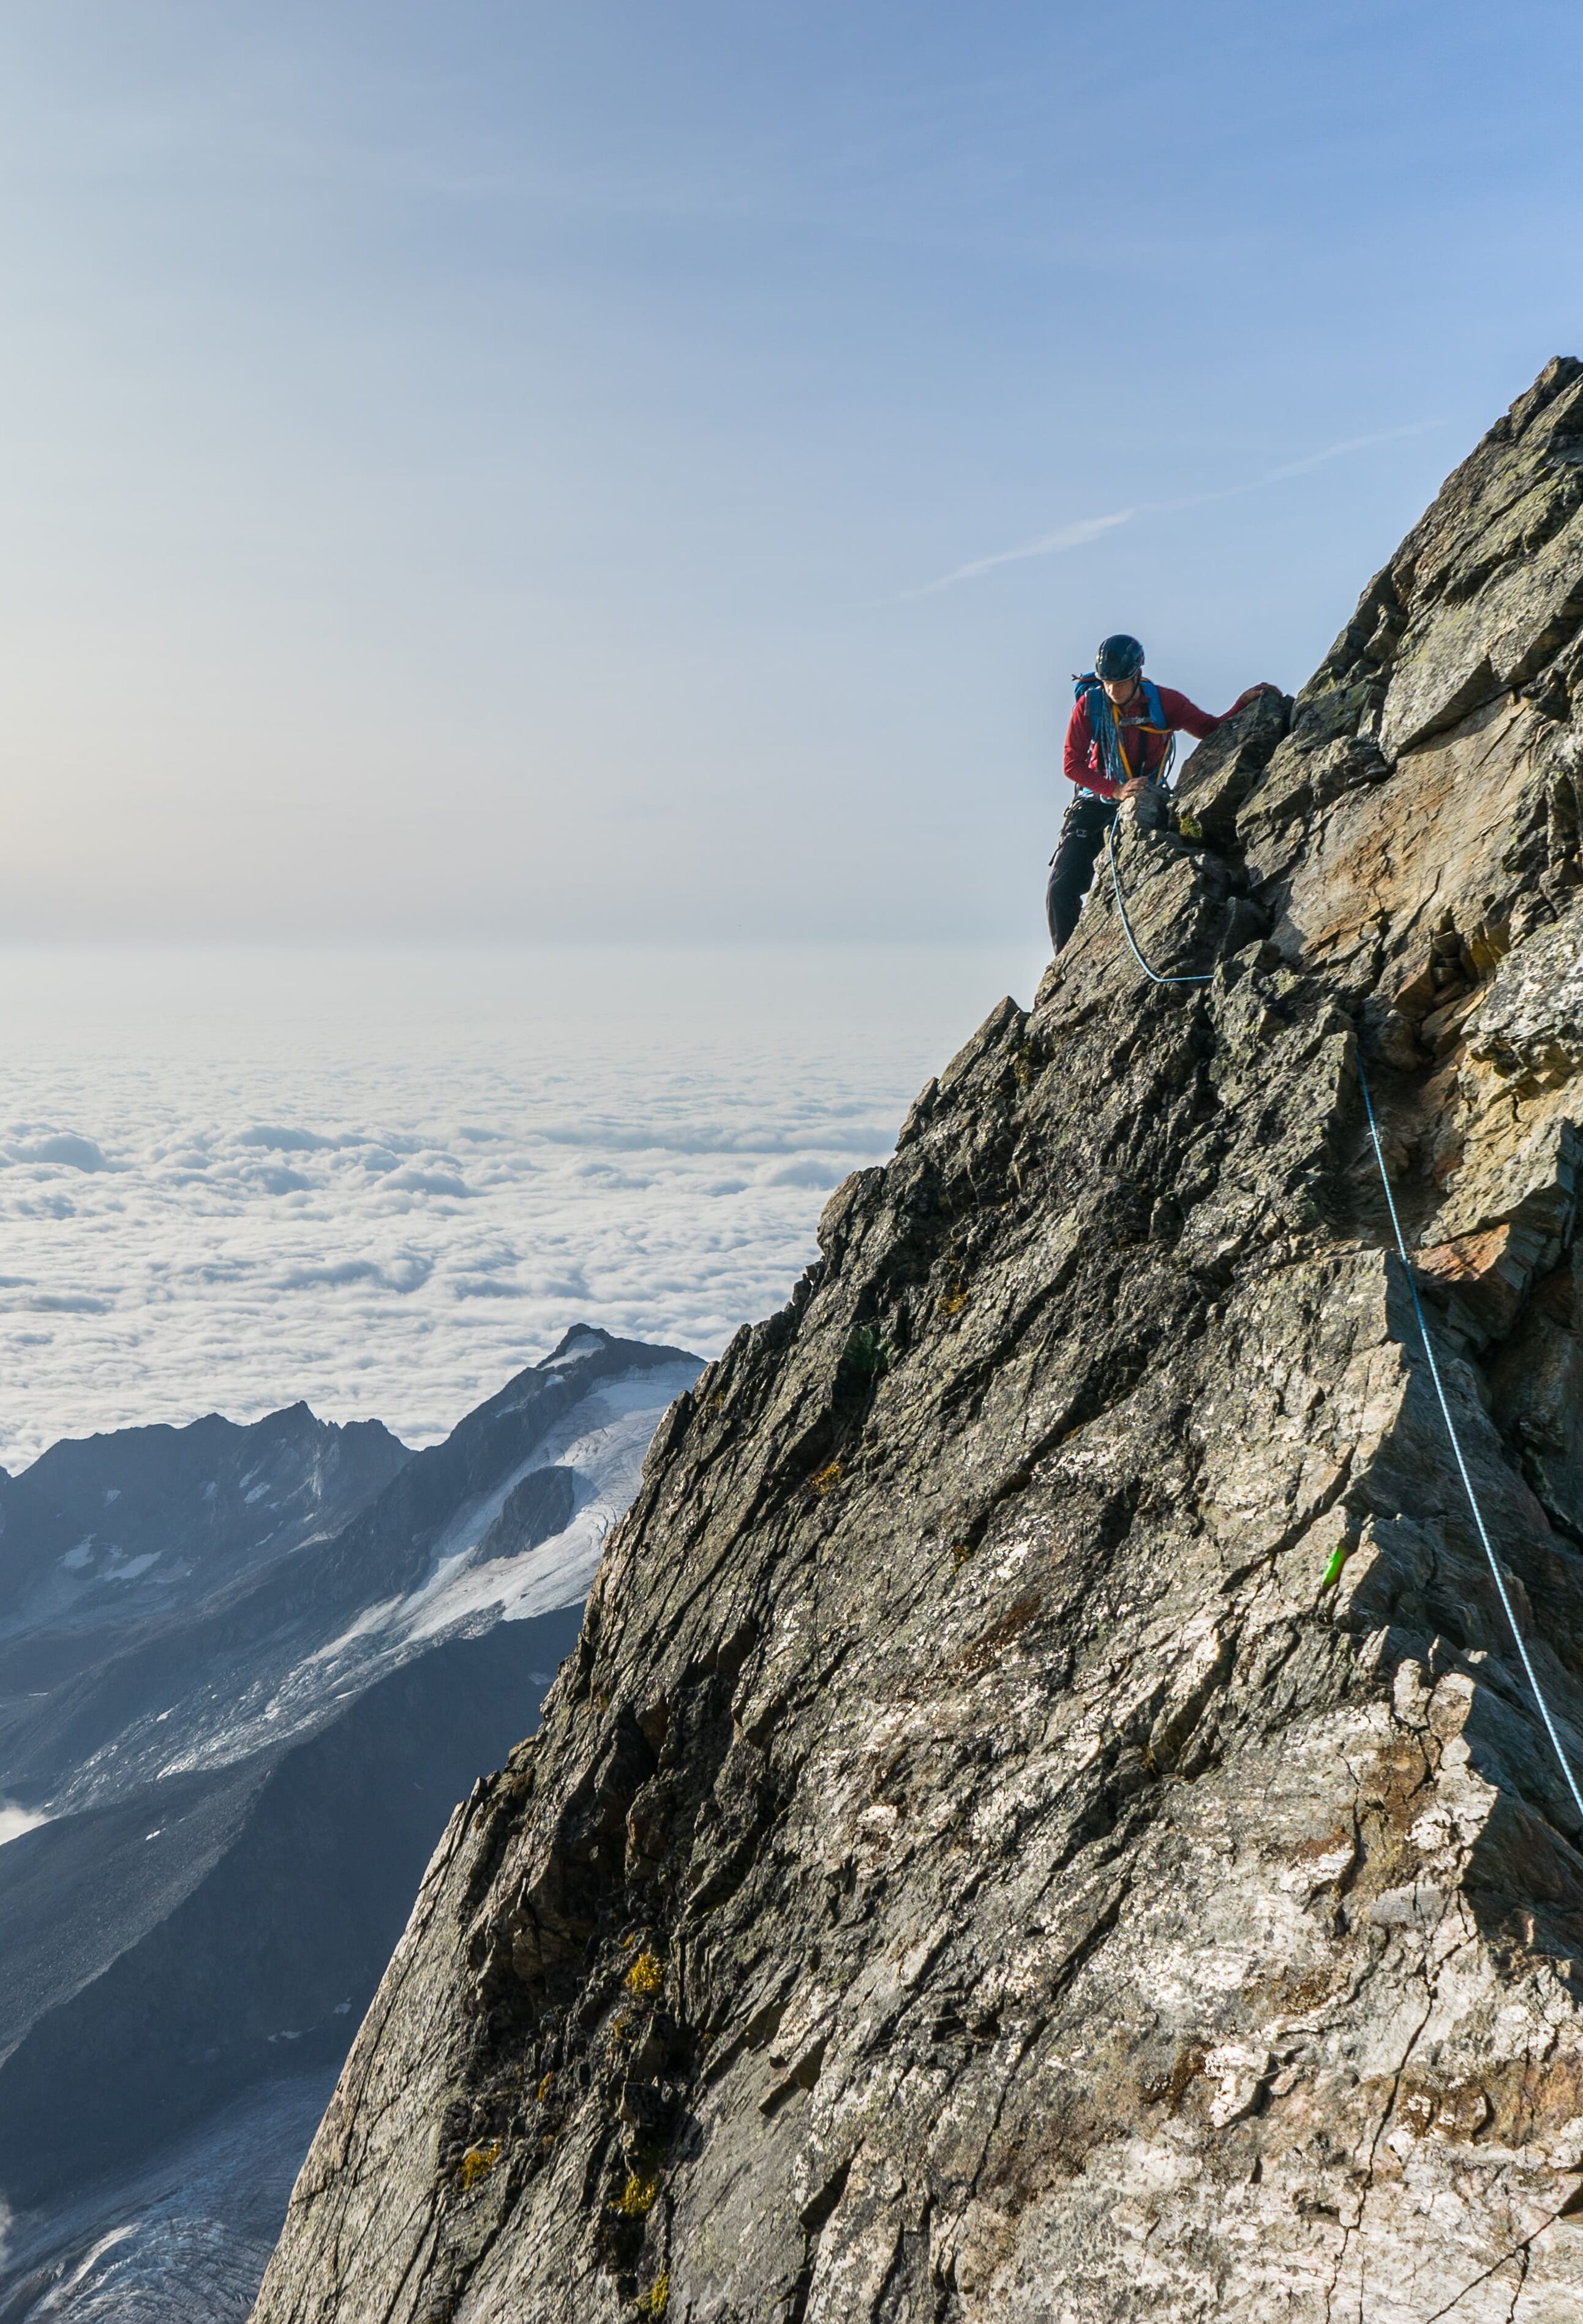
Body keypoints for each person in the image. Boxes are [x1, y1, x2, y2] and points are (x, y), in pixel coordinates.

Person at [1047, 634, 1277, 953]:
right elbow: (1072, 763)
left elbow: (1210, 730)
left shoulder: (1165, 703)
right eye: (1107, 682)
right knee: (1061, 889)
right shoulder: (1091, 705)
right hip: (1097, 802)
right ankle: (1065, 965)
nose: (1113, 690)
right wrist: (1115, 790)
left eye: (1121, 682)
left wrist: (1242, 704)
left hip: (1147, 800)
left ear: (1138, 674)